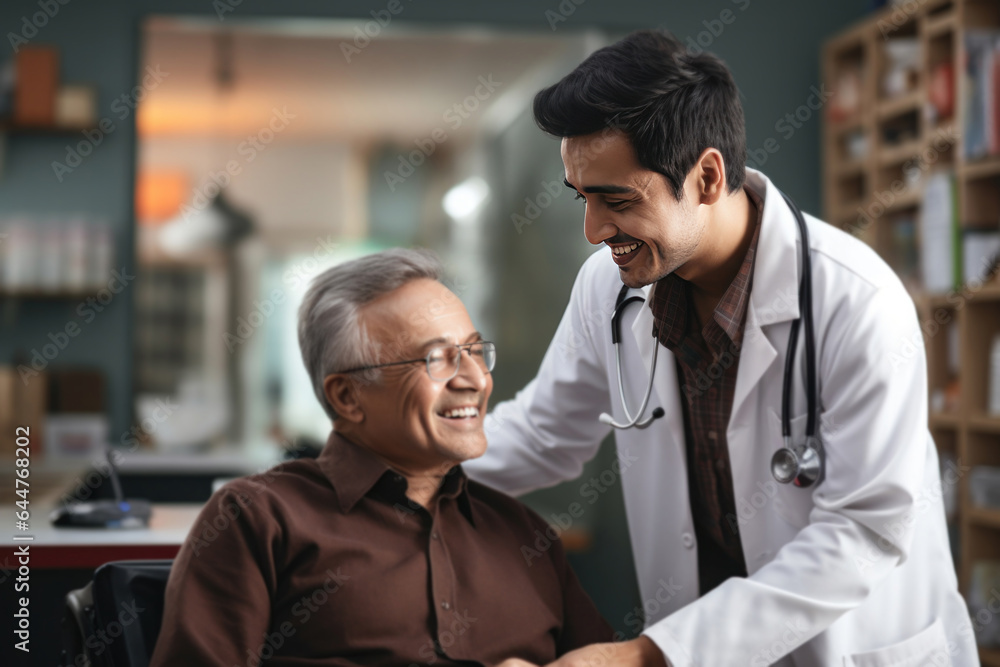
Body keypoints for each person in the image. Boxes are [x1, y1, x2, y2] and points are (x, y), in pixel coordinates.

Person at [463, 30, 975, 667]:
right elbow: (545, 433)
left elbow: (863, 532)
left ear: (705, 176)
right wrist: (404, 467)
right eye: (582, 197)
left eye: (617, 199)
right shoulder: (611, 288)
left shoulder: (857, 303)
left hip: (849, 649)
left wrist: (641, 657)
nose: (593, 231)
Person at [149, 248, 614, 667]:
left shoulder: (523, 534)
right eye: (437, 359)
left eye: (474, 351)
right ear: (348, 396)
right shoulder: (259, 520)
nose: (473, 378)